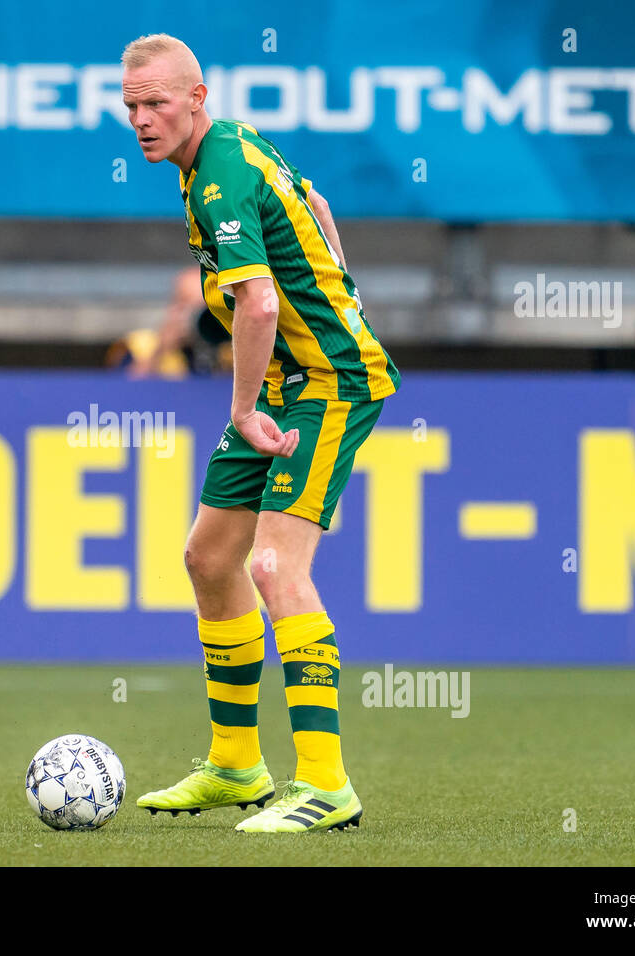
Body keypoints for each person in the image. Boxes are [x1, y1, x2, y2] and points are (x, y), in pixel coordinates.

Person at [121, 34, 400, 833]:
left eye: (157, 103)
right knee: (210, 558)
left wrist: (245, 409)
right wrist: (342, 291)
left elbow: (262, 305)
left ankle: (325, 785)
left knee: (275, 564)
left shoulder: (216, 177)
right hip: (291, 384)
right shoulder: (231, 146)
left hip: (329, 385)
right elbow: (314, 205)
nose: (141, 119)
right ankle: (237, 765)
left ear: (197, 97)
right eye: (130, 106)